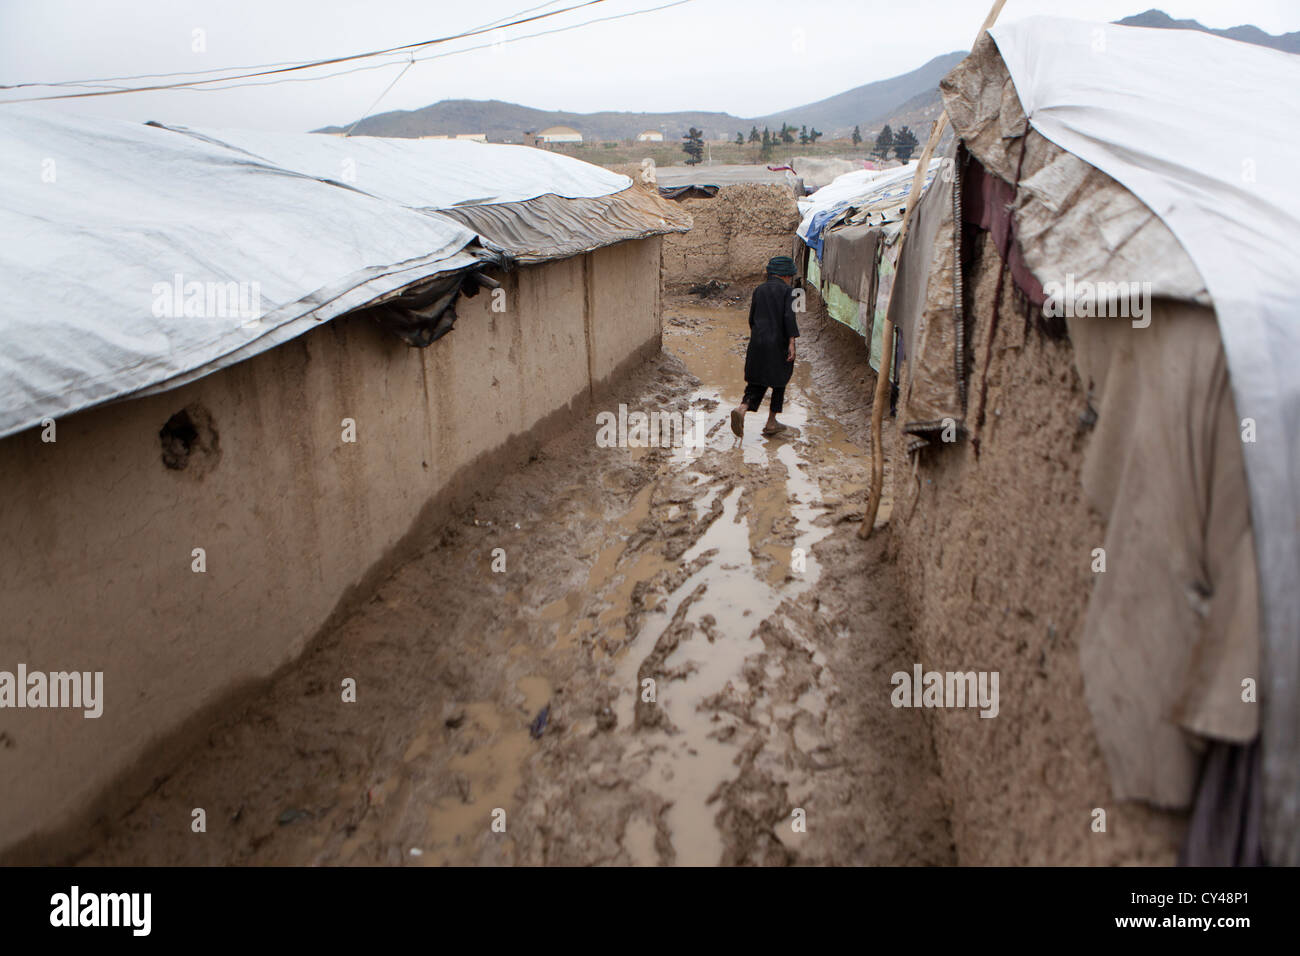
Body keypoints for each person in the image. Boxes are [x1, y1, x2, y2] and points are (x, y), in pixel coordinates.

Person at [730, 255, 800, 438]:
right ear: (786, 275)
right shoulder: (789, 292)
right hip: (778, 342)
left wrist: (758, 337)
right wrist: (792, 342)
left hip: (758, 342)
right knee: (779, 380)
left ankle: (742, 408)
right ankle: (771, 422)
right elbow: (789, 318)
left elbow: (752, 319)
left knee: (757, 380)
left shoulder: (759, 290)